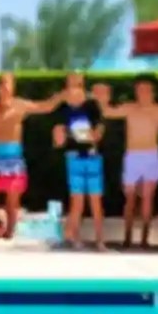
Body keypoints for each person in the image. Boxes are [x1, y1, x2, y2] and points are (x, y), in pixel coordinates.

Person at [0, 72, 63, 243]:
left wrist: (62, 95)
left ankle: (10, 234)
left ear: (13, 87)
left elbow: (46, 106)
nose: (4, 88)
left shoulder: (20, 106)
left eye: (7, 84)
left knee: (13, 198)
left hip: (13, 158)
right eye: (1, 84)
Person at [92, 74, 158, 248]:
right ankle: (127, 237)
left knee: (148, 197)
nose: (142, 93)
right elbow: (108, 112)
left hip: (151, 155)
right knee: (130, 198)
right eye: (139, 90)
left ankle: (144, 239)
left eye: (145, 90)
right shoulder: (130, 108)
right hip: (132, 155)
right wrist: (102, 99)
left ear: (152, 92)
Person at [53, 71, 106, 250]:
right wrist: (61, 136)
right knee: (77, 200)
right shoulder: (63, 107)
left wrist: (82, 134)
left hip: (92, 156)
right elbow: (59, 137)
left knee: (95, 200)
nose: (73, 84)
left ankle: (100, 240)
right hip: (73, 156)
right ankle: (74, 238)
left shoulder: (92, 104)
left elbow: (97, 133)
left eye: (77, 81)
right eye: (70, 81)